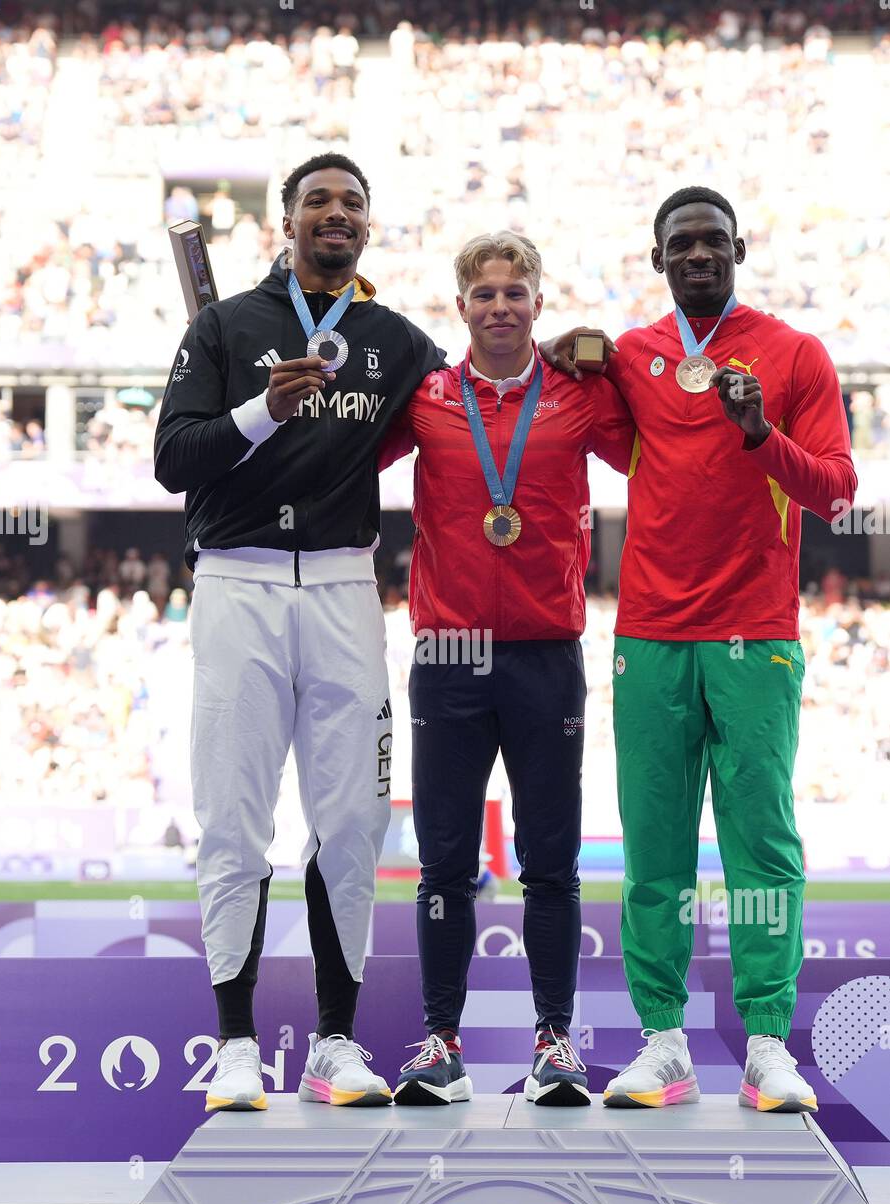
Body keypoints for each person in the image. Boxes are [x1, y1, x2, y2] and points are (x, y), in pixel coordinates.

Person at [543, 186, 857, 1113]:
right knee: (653, 848)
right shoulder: (636, 357)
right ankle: (663, 1041)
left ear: (739, 249)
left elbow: (838, 495)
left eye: (711, 241)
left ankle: (766, 1043)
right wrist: (564, 362)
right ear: (656, 260)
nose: (695, 255)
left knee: (761, 843)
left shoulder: (794, 355)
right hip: (648, 632)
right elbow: (589, 436)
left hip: (754, 633)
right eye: (678, 243)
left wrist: (760, 434)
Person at [154, 152, 447, 1112]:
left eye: (352, 203)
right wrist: (259, 409)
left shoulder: (392, 340)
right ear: (286, 220)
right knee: (234, 820)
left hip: (341, 587)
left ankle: (334, 1044)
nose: (336, 214)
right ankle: (235, 1045)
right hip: (236, 583)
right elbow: (171, 460)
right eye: (317, 200)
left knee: (354, 821)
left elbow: (468, 408)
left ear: (367, 226)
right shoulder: (226, 325)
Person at [378, 232, 635, 1106]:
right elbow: (337, 457)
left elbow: (660, 450)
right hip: (446, 655)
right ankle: (439, 1045)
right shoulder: (423, 400)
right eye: (482, 293)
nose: (499, 306)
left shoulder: (578, 396)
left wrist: (604, 350)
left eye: (514, 291)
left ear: (537, 302)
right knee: (445, 863)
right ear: (459, 308)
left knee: (550, 861)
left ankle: (555, 1045)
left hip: (543, 654)